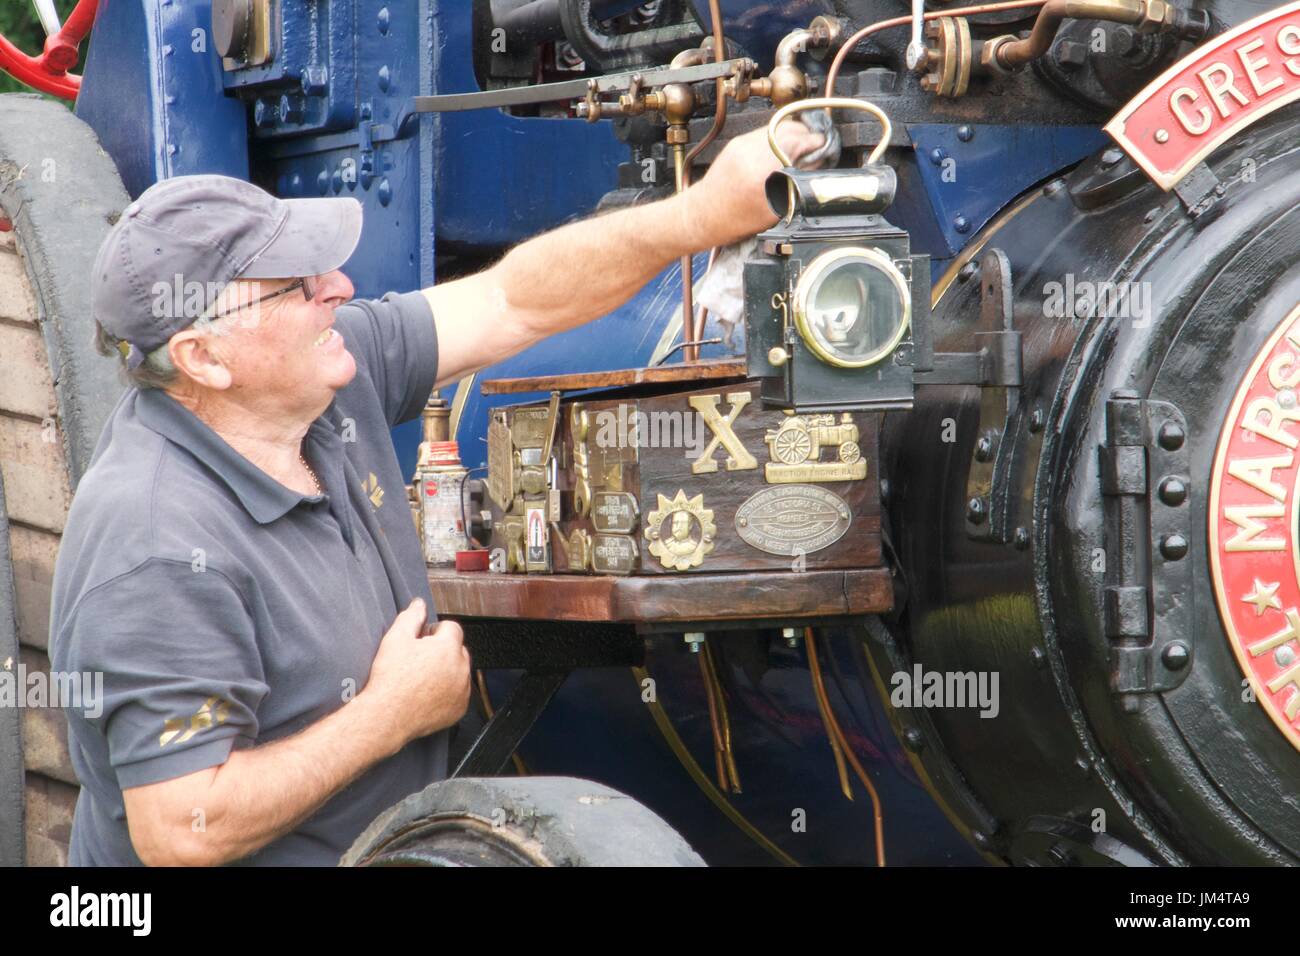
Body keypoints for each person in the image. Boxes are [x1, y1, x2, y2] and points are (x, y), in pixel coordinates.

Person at [48, 119, 824, 866]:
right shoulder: (155, 544)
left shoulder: (323, 376)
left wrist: (702, 213)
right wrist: (388, 715)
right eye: (297, 286)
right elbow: (182, 830)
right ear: (204, 358)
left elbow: (514, 299)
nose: (340, 288)